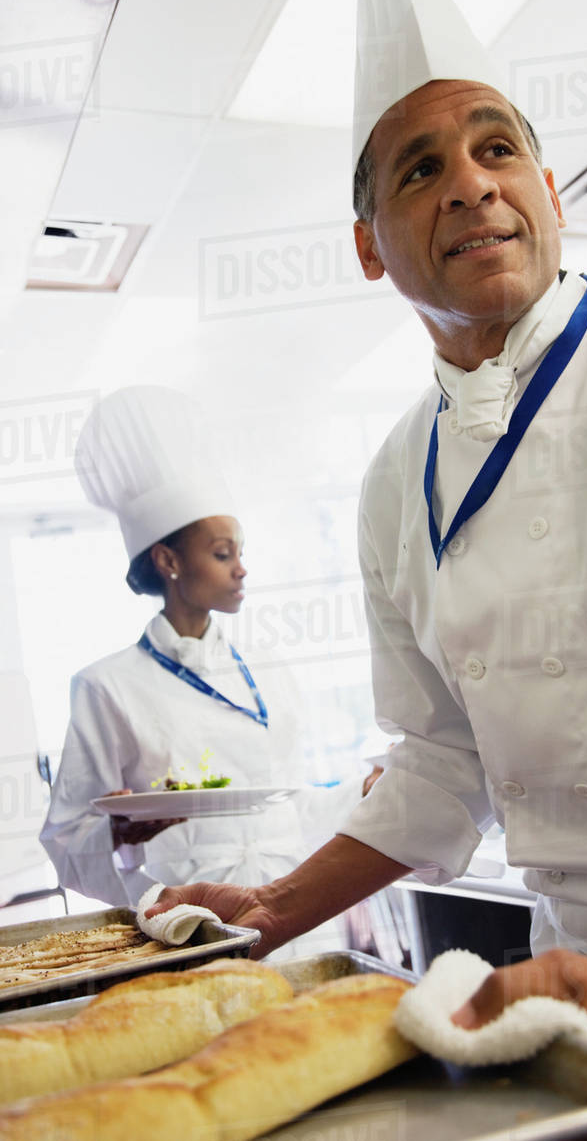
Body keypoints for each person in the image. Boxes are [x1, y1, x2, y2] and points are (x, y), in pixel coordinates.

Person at [148, 0, 587, 1141]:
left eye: (495, 146)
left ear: (548, 191)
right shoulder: (395, 483)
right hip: (576, 1022)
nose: (468, 182)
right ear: (365, 247)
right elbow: (441, 759)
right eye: (417, 168)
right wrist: (275, 908)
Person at [41, 387, 365, 930]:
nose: (241, 569)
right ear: (168, 559)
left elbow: (290, 814)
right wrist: (119, 834)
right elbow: (67, 842)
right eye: (221, 553)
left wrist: (361, 792)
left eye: (241, 552)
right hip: (192, 927)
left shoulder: (270, 672)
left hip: (292, 916)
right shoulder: (106, 687)